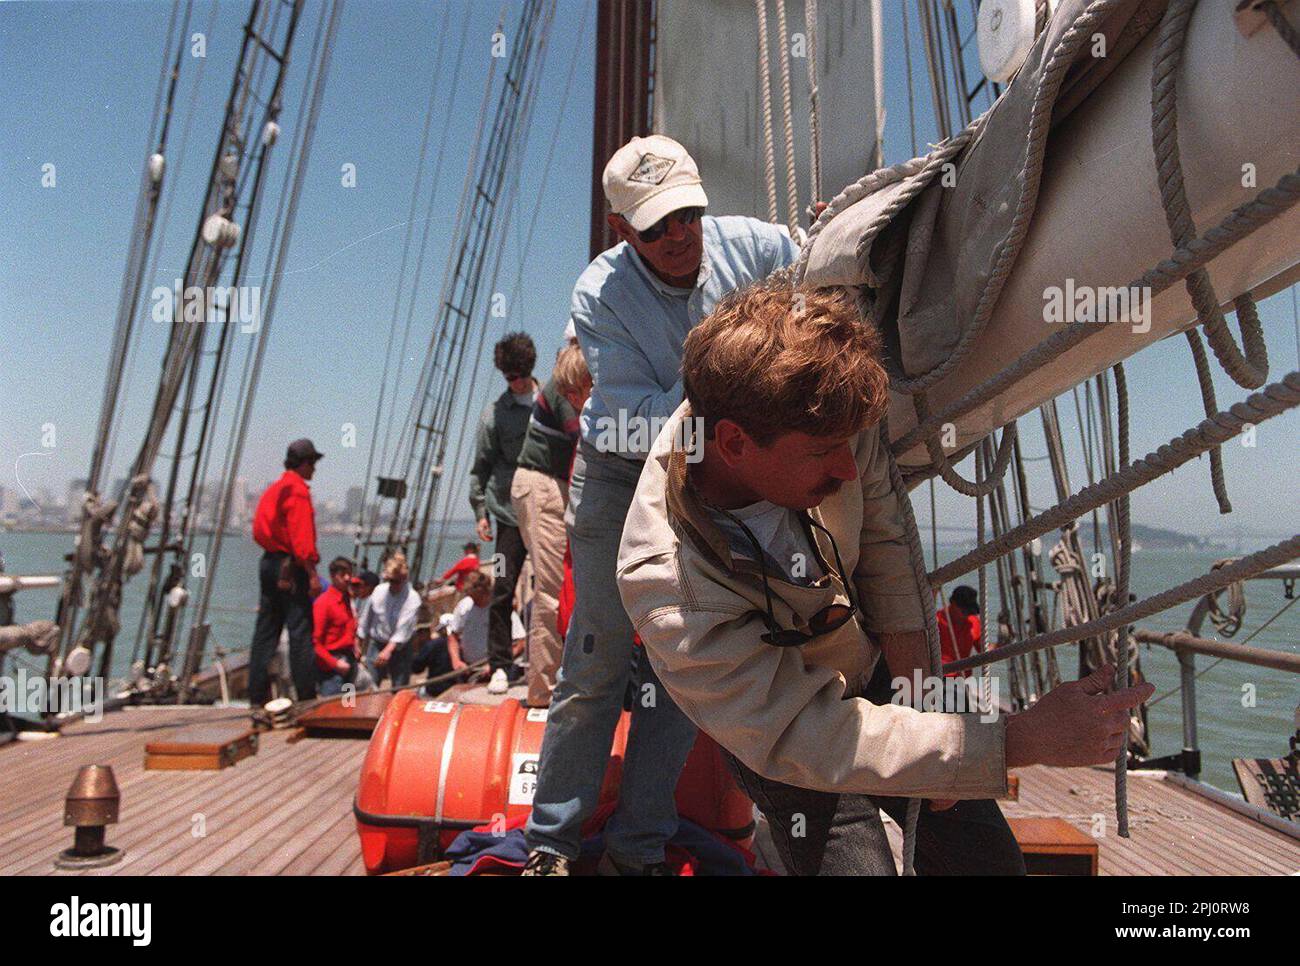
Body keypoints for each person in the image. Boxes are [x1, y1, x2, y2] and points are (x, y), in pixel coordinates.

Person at [615, 282, 1155, 875]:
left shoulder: (831, 408)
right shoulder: (671, 591)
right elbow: (805, 733)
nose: (848, 469)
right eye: (823, 454)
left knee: (986, 863)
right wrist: (1016, 740)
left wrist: (926, 713)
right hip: (786, 720)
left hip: (874, 664)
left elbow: (887, 549)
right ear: (735, 443)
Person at [522, 135, 799, 877]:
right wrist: (730, 373)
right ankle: (550, 845)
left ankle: (637, 849)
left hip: (715, 476)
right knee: (596, 660)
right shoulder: (599, 292)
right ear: (622, 230)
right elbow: (626, 420)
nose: (678, 236)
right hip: (619, 478)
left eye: (687, 214)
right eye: (654, 226)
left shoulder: (759, 246)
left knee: (683, 664)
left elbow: (821, 271)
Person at [510, 343, 591, 706]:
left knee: (560, 586)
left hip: (552, 485)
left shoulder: (570, 378)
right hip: (542, 485)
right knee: (551, 589)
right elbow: (585, 431)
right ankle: (542, 693)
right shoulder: (565, 383)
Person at [468, 332, 537, 696]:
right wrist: (480, 511)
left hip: (546, 513)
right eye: (509, 377)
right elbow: (480, 465)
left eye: (520, 374)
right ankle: (499, 665)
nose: (516, 382)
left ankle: (549, 663)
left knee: (554, 588)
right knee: (502, 587)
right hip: (507, 514)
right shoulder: (494, 416)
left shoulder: (550, 404)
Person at [249, 438, 324, 707]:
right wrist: (312, 574)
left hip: (269, 563)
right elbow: (302, 541)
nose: (315, 470)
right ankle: (306, 699)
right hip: (292, 568)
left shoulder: (274, 489)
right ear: (304, 464)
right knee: (301, 632)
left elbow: (258, 529)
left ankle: (256, 700)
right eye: (313, 463)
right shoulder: (297, 491)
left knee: (266, 631)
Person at [360, 552, 421, 688]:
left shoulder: (412, 598)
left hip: (400, 648)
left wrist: (388, 651)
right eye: (390, 581)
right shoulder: (379, 591)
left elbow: (403, 629)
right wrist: (359, 643)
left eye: (396, 581)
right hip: (377, 643)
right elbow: (366, 619)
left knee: (399, 687)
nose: (393, 585)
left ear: (404, 579)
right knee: (370, 684)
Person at [447, 570, 526, 674]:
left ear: (484, 591)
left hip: (499, 670)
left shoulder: (500, 608)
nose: (472, 600)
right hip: (470, 669)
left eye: (474, 596)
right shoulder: (464, 606)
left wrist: (497, 663)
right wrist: (456, 661)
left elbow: (521, 642)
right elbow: (453, 636)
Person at [314, 557, 359, 697]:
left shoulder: (347, 600)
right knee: (333, 708)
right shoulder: (324, 603)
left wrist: (355, 644)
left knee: (349, 704)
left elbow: (350, 627)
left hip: (348, 659)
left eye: (349, 574)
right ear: (333, 577)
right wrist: (334, 663)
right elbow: (315, 642)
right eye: (342, 575)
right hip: (332, 667)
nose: (347, 578)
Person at [937, 585, 982, 675]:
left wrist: (1001, 642)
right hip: (940, 677)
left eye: (970, 612)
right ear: (952, 603)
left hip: (963, 679)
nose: (967, 615)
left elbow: (984, 650)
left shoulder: (974, 622)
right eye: (964, 611)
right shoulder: (937, 621)